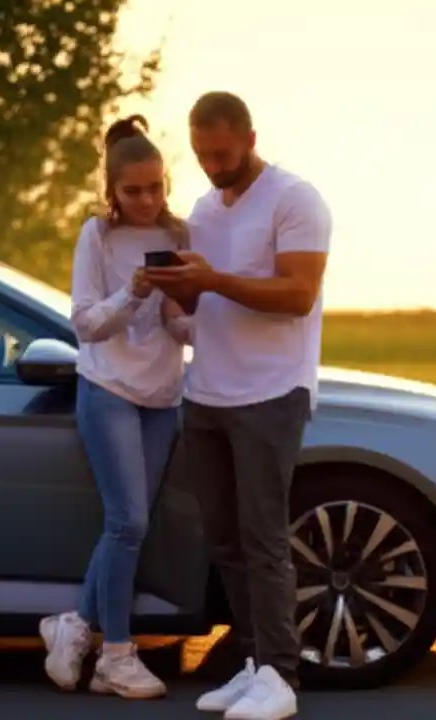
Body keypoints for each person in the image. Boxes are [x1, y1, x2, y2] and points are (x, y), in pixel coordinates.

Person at [144, 91, 331, 720]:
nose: (212, 166)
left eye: (221, 154)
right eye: (200, 155)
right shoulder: (203, 207)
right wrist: (174, 294)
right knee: (224, 541)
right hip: (208, 395)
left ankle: (282, 676)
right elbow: (202, 309)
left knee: (263, 539)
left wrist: (213, 280)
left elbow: (299, 294)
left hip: (270, 394)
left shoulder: (294, 199)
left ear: (250, 139)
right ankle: (253, 665)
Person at [38, 114, 191, 700]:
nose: (148, 200)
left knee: (128, 528)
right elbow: (85, 325)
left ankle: (74, 624)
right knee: (130, 522)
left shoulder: (180, 235)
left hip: (162, 397)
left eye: (156, 187)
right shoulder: (95, 237)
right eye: (134, 190)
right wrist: (134, 291)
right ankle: (118, 656)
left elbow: (177, 325)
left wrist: (216, 318)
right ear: (112, 191)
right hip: (108, 392)